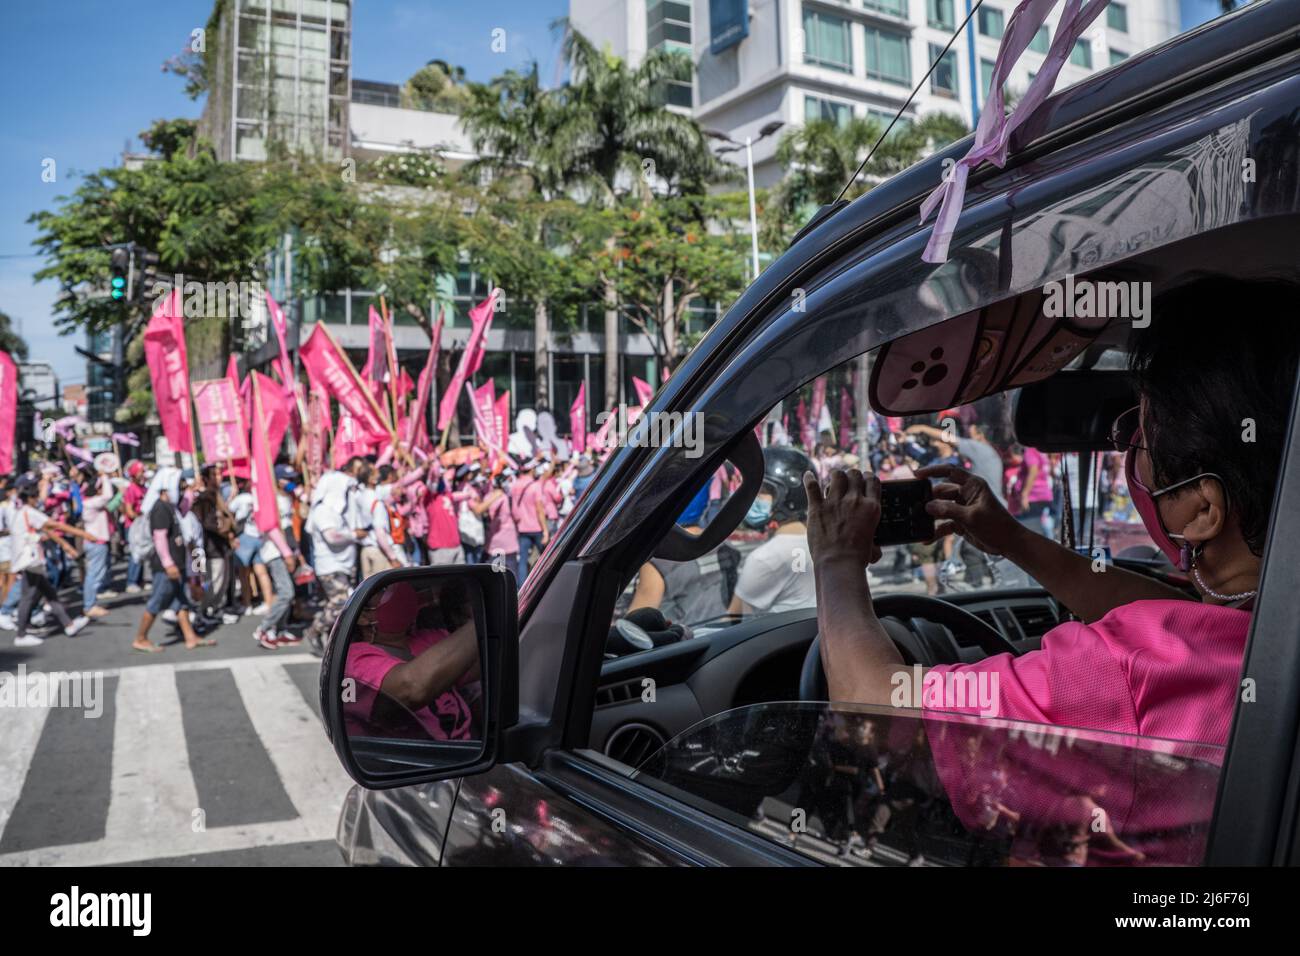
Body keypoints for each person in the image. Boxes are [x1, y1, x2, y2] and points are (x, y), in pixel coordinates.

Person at [806, 277, 1299, 750]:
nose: (1130, 453)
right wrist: (1013, 539)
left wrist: (835, 561)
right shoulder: (1269, 622)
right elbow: (1182, 622)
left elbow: (874, 714)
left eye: (1139, 438)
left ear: (1203, 510)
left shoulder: (1125, 673)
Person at [131, 467, 216, 653]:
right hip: (165, 567)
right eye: (179, 485)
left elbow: (186, 508)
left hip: (177, 565)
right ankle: (141, 638)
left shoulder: (174, 510)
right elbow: (160, 538)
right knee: (157, 601)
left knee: (181, 602)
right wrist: (169, 564)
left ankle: (190, 637)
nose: (182, 489)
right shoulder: (160, 509)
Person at [10, 475, 101, 647]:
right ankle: (21, 635)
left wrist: (67, 546)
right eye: (37, 496)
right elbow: (56, 526)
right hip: (30, 560)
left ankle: (69, 625)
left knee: (49, 593)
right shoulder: (30, 512)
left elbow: (48, 528)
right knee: (28, 597)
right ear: (30, 497)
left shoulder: (20, 511)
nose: (39, 499)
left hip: (29, 560)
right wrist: (84, 534)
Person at [728, 446, 818, 617]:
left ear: (787, 497)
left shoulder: (765, 558)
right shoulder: (830, 544)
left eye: (761, 492)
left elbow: (733, 619)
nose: (752, 499)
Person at [303, 469, 361, 657]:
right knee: (339, 604)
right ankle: (315, 630)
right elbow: (332, 536)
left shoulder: (338, 510)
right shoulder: (322, 511)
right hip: (330, 566)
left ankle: (331, 642)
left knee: (339, 604)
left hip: (342, 564)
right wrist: (354, 535)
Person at [80, 453, 119, 619]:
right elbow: (108, 496)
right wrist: (103, 476)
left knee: (95, 574)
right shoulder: (91, 502)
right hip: (96, 542)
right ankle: (89, 605)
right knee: (94, 575)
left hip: (96, 541)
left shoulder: (90, 502)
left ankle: (91, 603)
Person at [509, 459, 549, 584]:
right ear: (532, 469)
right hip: (537, 528)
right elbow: (539, 510)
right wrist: (546, 531)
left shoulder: (514, 485)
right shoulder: (535, 485)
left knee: (522, 560)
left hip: (522, 528)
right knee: (548, 558)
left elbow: (513, 509)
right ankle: (548, 582)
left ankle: (522, 589)